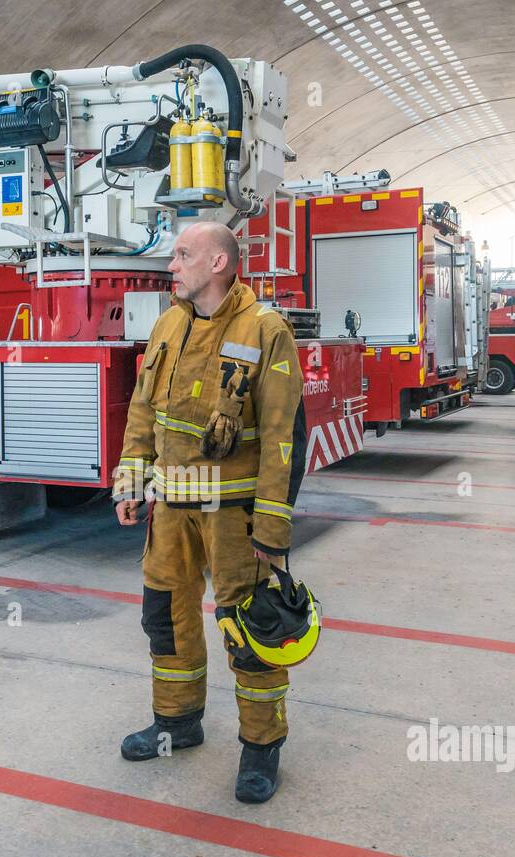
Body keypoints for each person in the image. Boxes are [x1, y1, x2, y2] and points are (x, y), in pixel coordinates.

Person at [112, 220, 307, 803]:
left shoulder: (266, 331)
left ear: (219, 263)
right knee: (164, 618)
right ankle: (177, 723)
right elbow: (143, 412)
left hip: (234, 517)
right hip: (170, 509)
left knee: (250, 630)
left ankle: (261, 746)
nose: (170, 266)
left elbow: (280, 441)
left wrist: (271, 533)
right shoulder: (170, 322)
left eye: (182, 255)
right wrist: (131, 480)